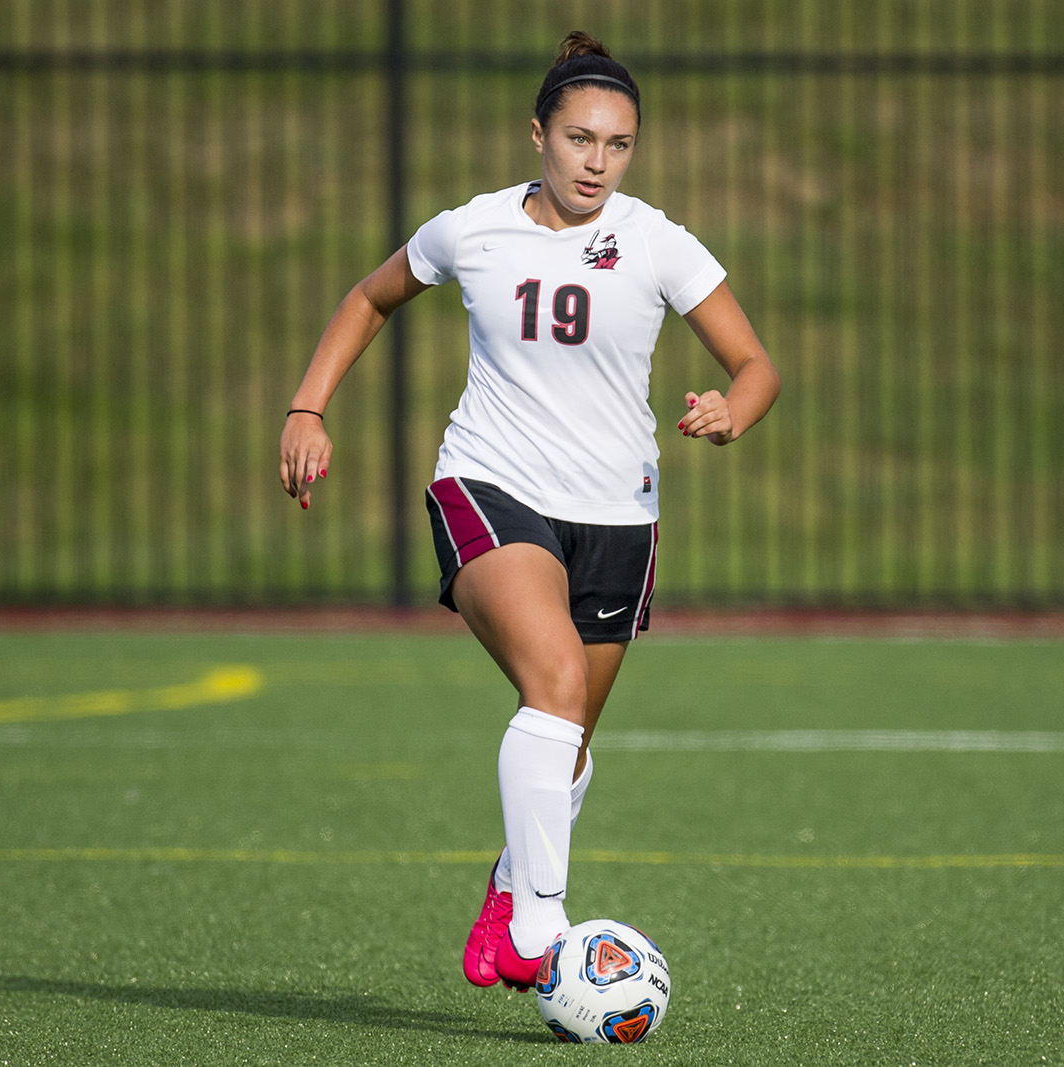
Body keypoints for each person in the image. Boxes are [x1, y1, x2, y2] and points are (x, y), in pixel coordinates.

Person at [277, 30, 780, 991]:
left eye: (619, 144)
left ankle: (514, 882)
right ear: (537, 135)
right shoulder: (469, 229)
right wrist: (309, 405)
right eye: (581, 138)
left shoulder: (658, 242)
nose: (598, 161)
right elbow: (371, 297)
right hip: (490, 483)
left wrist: (730, 410)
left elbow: (757, 366)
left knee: (571, 731)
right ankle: (542, 934)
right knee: (551, 678)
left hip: (618, 517)